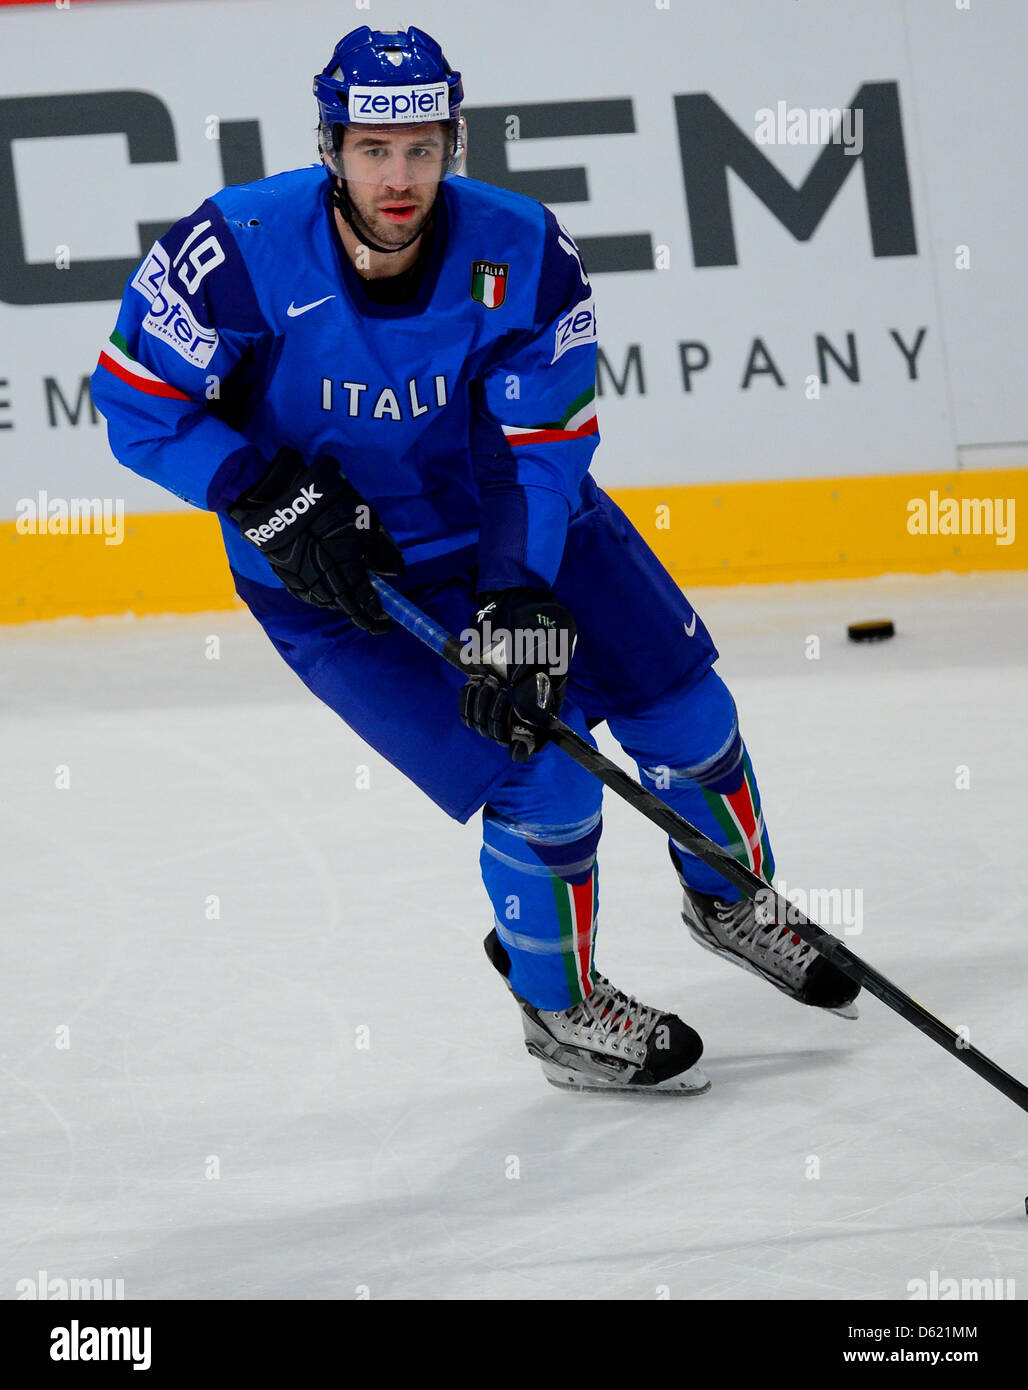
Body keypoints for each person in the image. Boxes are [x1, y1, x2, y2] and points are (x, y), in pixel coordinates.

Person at [91, 24, 859, 1096]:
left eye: (420, 148)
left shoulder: (519, 245)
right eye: (371, 149)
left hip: (510, 527)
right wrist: (255, 491)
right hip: (344, 585)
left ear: (452, 140)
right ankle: (559, 1008)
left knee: (689, 713)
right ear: (330, 147)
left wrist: (512, 583)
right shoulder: (236, 250)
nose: (397, 178)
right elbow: (135, 404)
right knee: (542, 780)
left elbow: (539, 445)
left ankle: (730, 894)